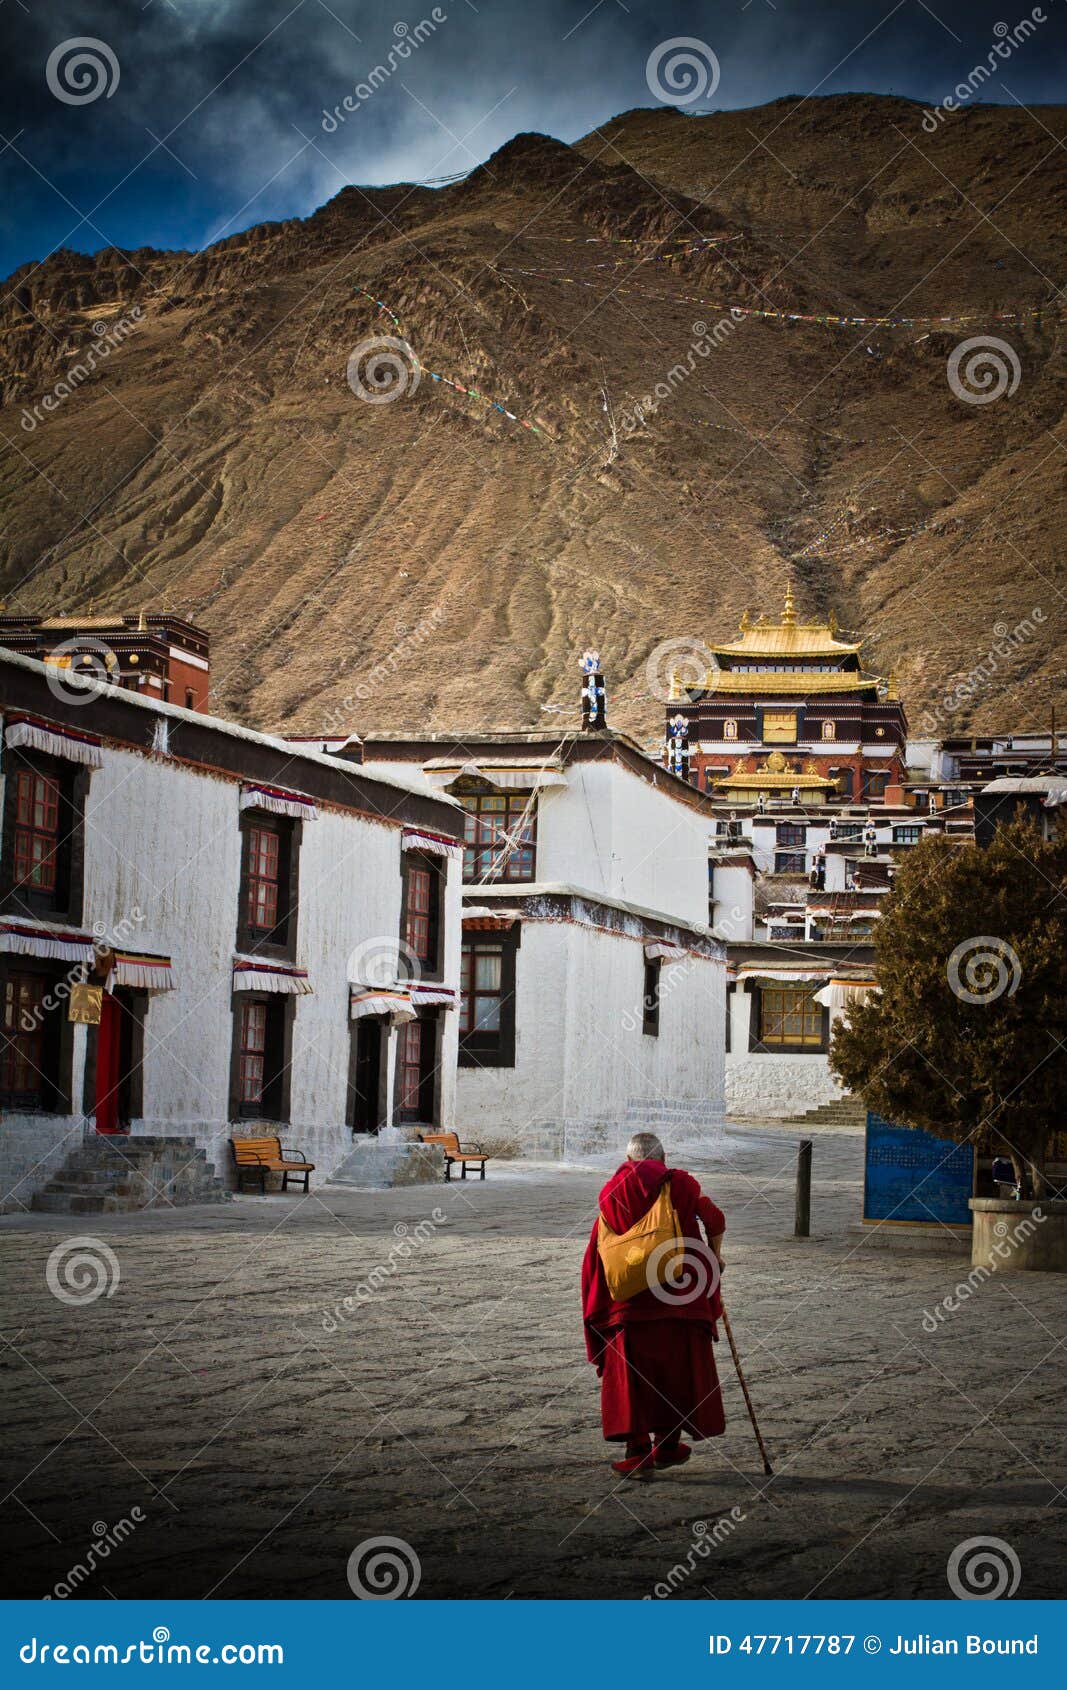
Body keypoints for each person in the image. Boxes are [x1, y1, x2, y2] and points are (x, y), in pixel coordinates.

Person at [581, 1132, 726, 1479]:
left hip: (629, 1304)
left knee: (632, 1376)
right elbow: (715, 1219)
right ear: (663, 1159)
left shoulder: (612, 1191)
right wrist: (715, 1259)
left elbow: (598, 1248)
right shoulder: (681, 1184)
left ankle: (638, 1452)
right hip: (680, 1297)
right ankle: (668, 1444)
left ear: (628, 1160)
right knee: (677, 1371)